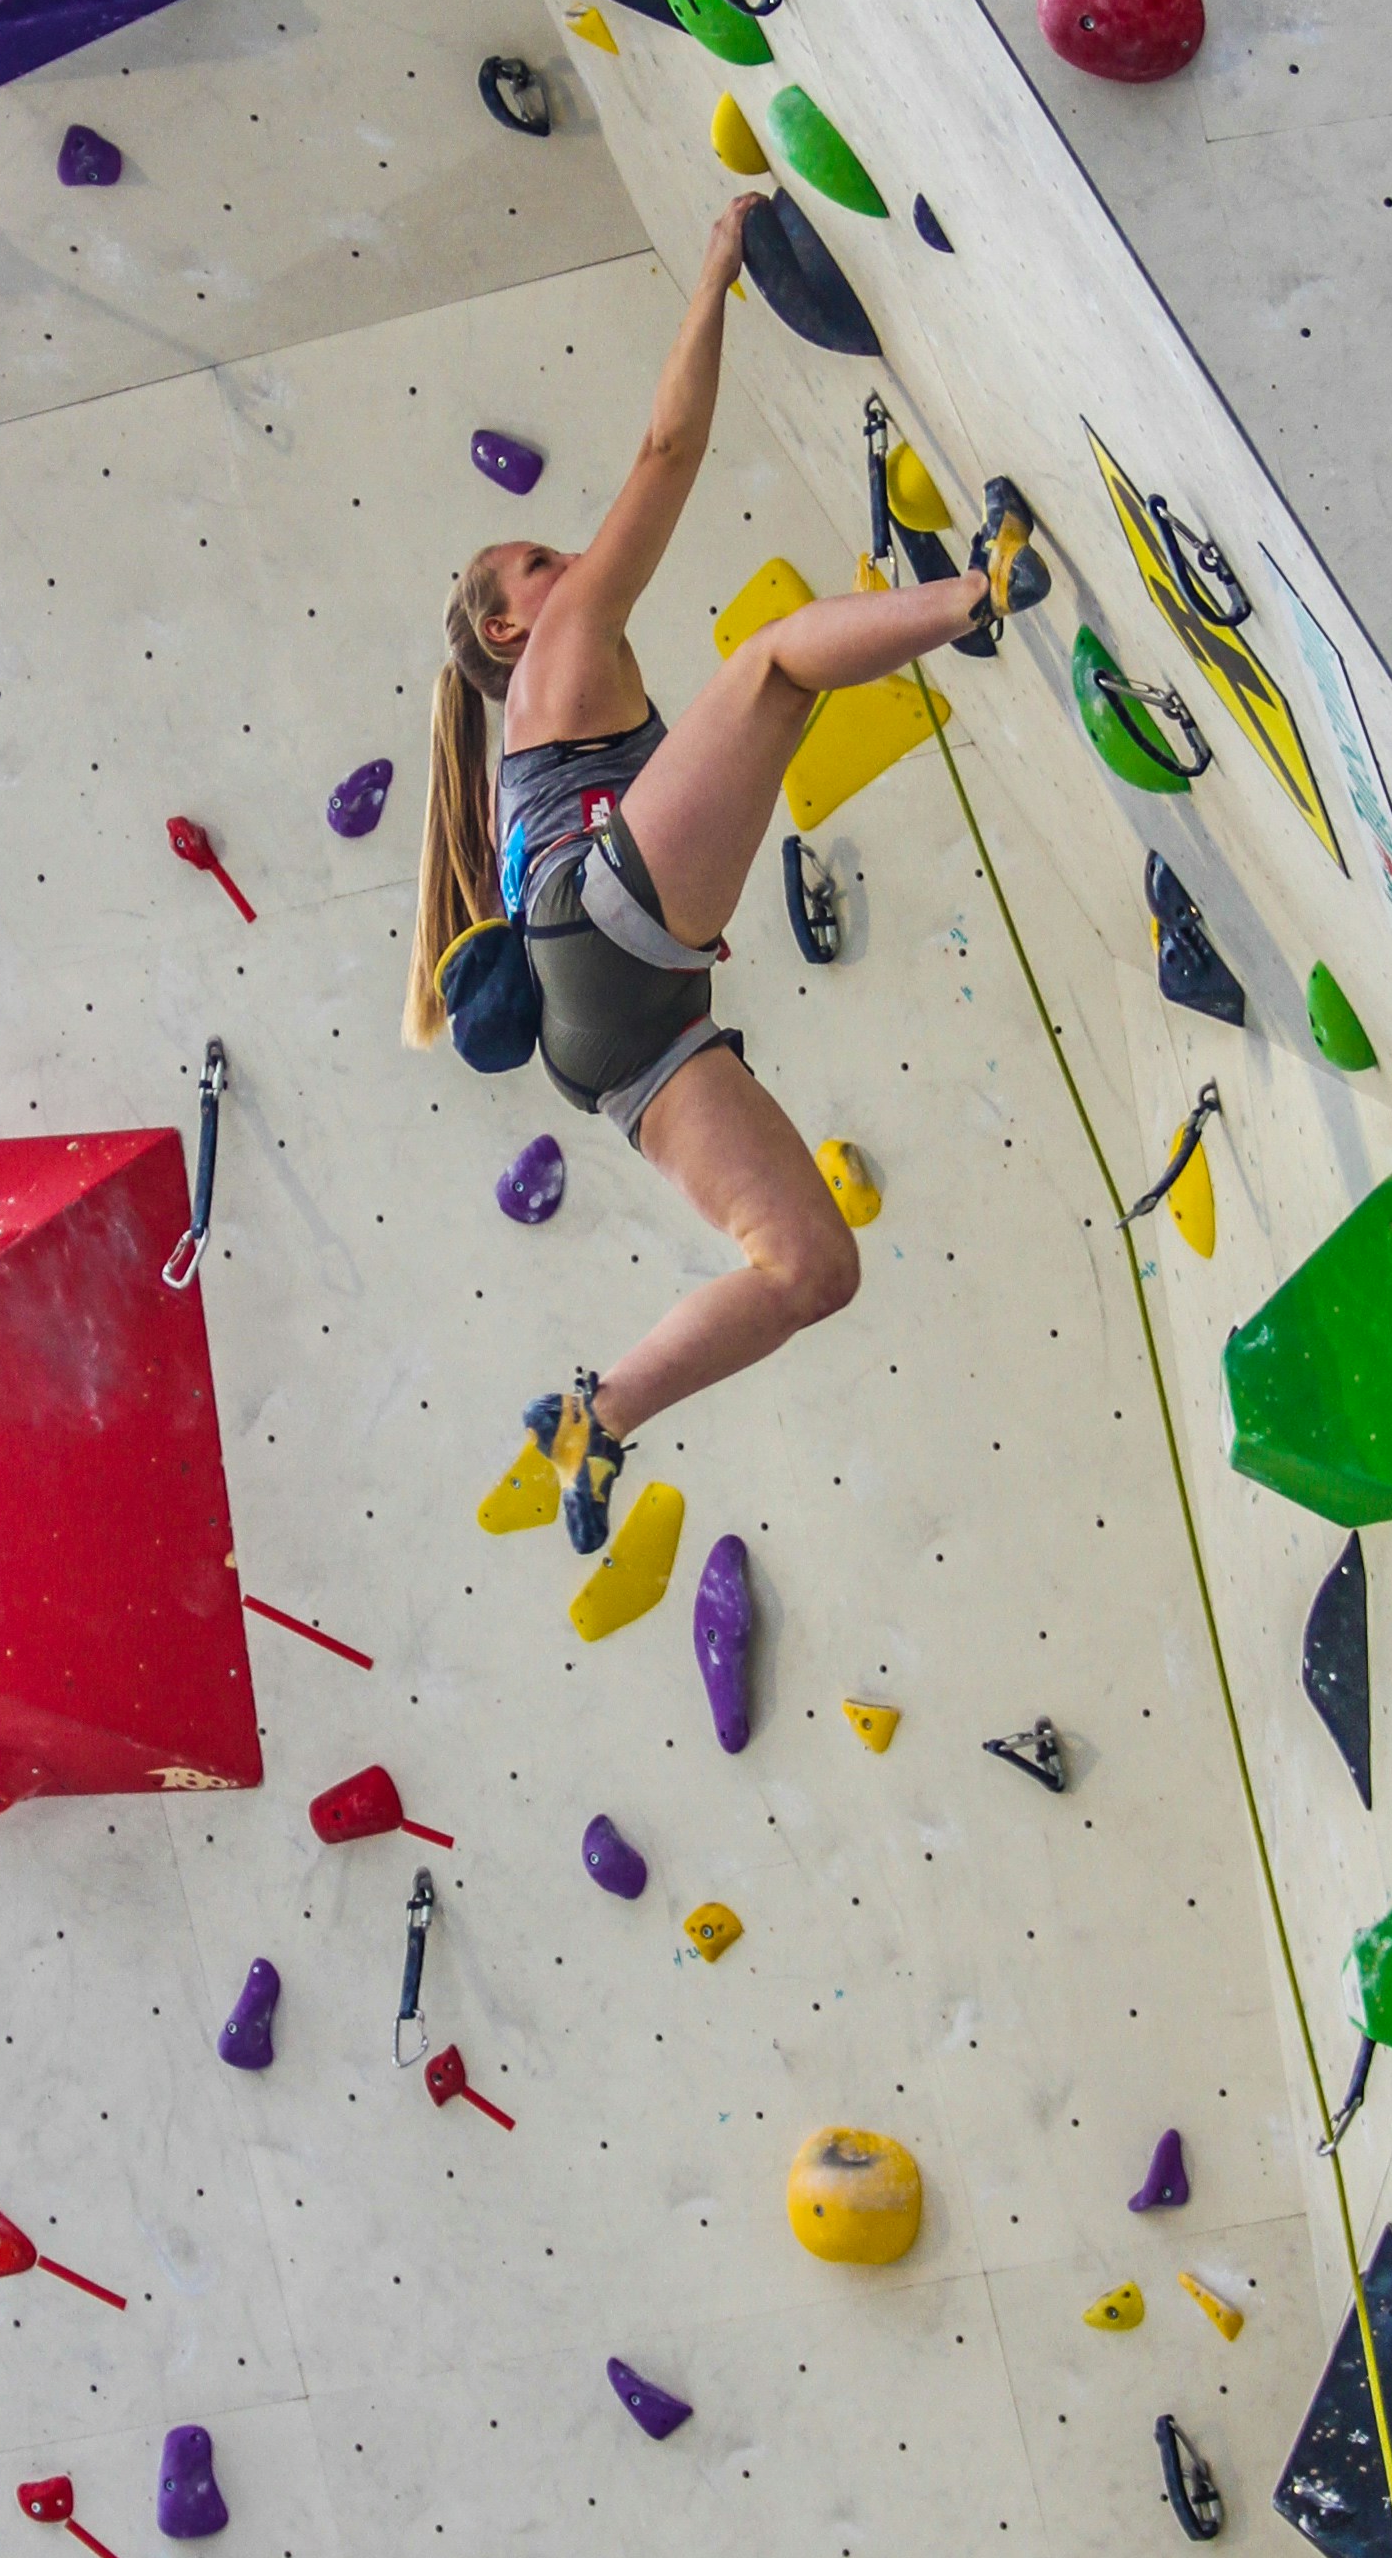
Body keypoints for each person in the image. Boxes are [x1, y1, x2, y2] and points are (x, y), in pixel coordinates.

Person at [404, 193, 1028, 1549]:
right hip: (602, 929)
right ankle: (982, 592)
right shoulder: (559, 643)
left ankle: (600, 1415)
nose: (566, 562)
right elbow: (669, 448)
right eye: (536, 565)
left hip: (615, 1035)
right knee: (778, 662)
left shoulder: (529, 738)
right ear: (509, 623)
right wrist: (710, 274)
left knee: (812, 1268)